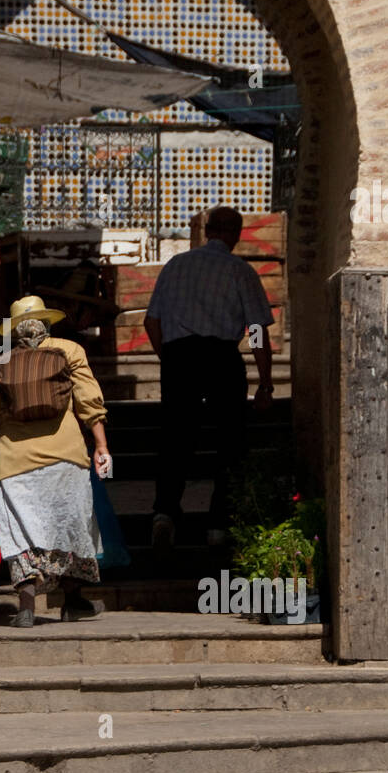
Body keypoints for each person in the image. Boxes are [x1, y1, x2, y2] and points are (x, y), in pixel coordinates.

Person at [143, 204, 275, 548]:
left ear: (206, 231)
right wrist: (265, 381)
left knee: (175, 439)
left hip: (179, 357)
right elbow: (257, 329)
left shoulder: (175, 266)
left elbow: (150, 321)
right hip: (221, 359)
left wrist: (169, 357)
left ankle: (164, 513)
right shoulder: (240, 271)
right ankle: (219, 524)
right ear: (236, 234)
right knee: (230, 441)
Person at [0, 296, 112, 628]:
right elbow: (89, 399)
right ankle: (73, 602)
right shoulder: (69, 349)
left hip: (13, 460)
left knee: (21, 533)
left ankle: (26, 606)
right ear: (47, 320)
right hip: (65, 456)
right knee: (70, 527)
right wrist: (100, 444)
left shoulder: (2, 355)